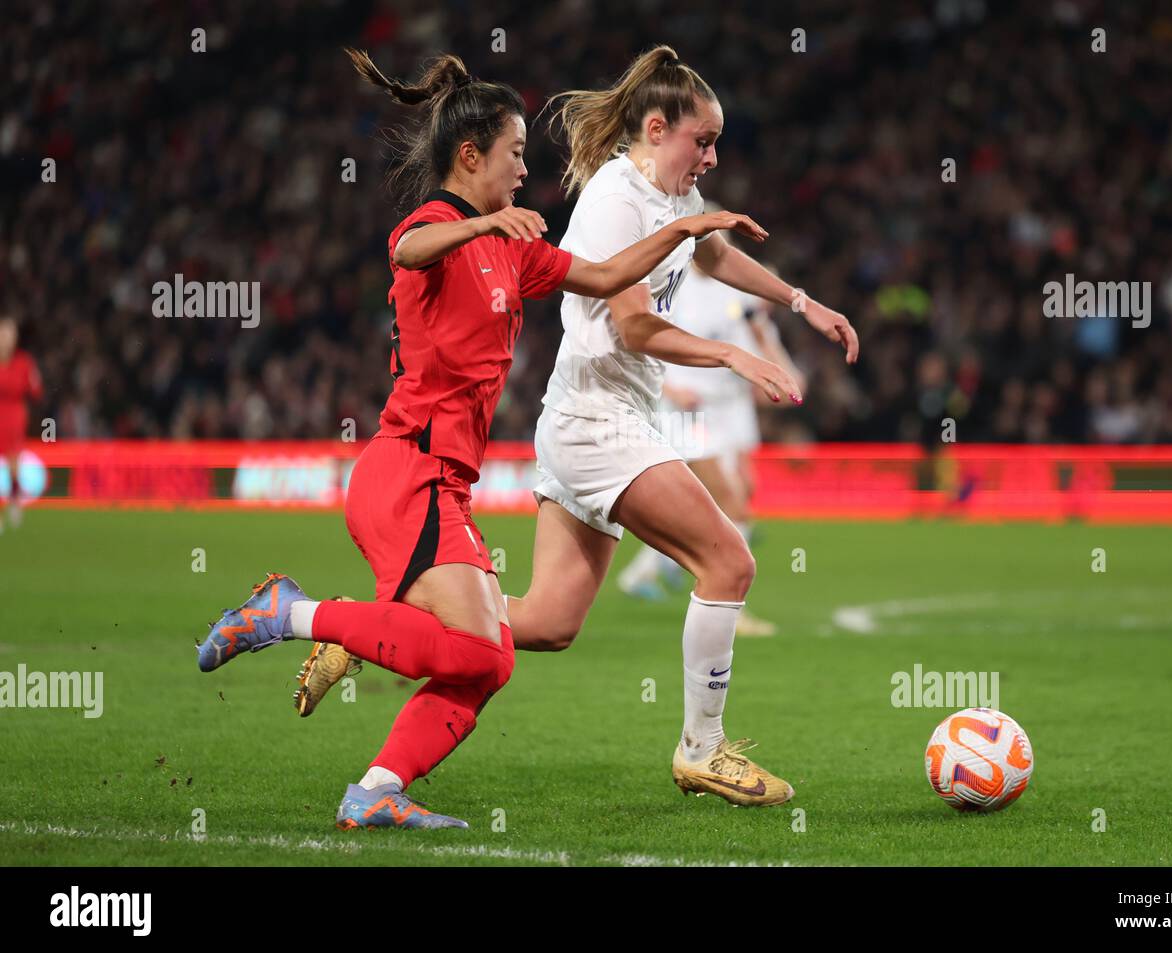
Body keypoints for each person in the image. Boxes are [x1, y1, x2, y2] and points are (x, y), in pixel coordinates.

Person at [194, 48, 768, 831]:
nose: (525, 173)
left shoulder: (514, 247)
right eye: (515, 156)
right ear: (472, 157)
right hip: (405, 475)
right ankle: (290, 613)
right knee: (484, 651)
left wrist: (690, 227)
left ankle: (375, 790)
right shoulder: (441, 228)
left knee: (491, 655)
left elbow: (602, 278)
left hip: (443, 484)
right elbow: (405, 247)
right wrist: (481, 224)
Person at [504, 45, 858, 806]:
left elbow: (716, 257)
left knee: (544, 622)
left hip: (589, 418)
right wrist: (731, 356)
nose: (713, 156)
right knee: (729, 562)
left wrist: (804, 305)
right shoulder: (616, 200)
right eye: (703, 141)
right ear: (657, 128)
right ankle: (703, 749)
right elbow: (632, 327)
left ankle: (362, 629)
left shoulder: (670, 197)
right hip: (598, 422)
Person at [616, 249, 805, 639]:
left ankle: (655, 569)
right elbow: (642, 341)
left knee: (733, 497)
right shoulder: (673, 287)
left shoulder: (737, 297)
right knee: (729, 501)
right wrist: (670, 389)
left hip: (729, 410)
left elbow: (775, 358)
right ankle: (725, 605)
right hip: (689, 412)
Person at [0, 313, 43, 534]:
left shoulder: (23, 362)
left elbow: (35, 390)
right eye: (3, 333)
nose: (6, 338)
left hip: (14, 415)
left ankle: (15, 501)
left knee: (13, 461)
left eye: (10, 334)